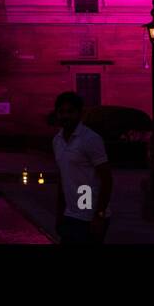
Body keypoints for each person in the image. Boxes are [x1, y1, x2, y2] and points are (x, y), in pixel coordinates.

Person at [51, 91, 112, 245]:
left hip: (90, 215)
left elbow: (107, 178)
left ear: (80, 113)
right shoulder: (57, 141)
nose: (65, 116)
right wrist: (60, 212)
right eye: (62, 112)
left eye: (70, 112)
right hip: (70, 214)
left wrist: (99, 215)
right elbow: (63, 177)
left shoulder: (90, 139)